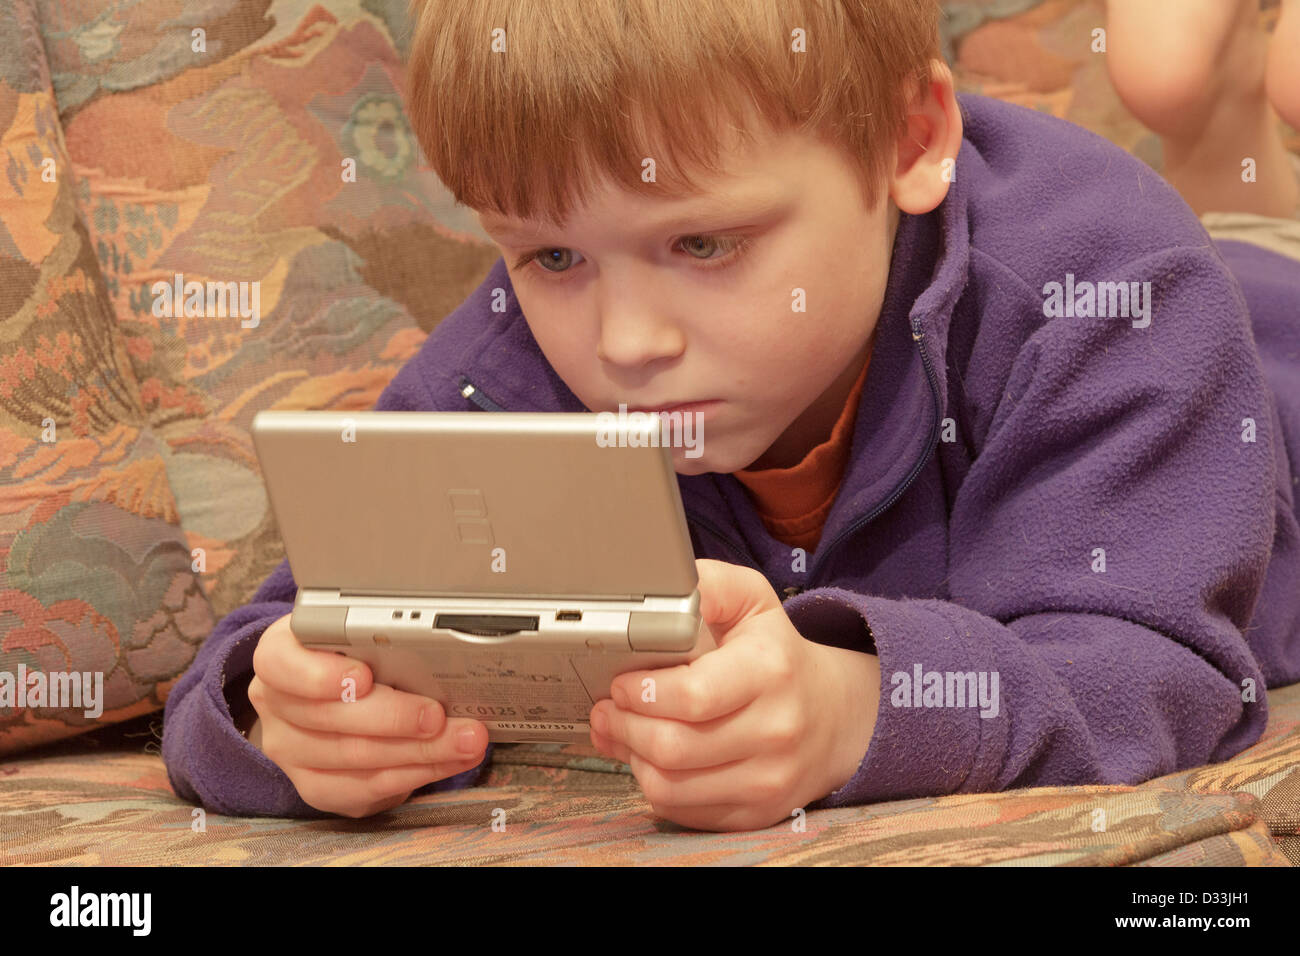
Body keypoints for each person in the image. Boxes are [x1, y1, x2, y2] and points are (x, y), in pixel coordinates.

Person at [162, 0, 1300, 831]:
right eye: (552, 252)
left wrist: (861, 705)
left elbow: (1160, 667)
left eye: (702, 243)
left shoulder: (1105, 288)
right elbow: (284, 632)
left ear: (911, 142)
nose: (625, 342)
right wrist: (287, 716)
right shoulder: (515, 352)